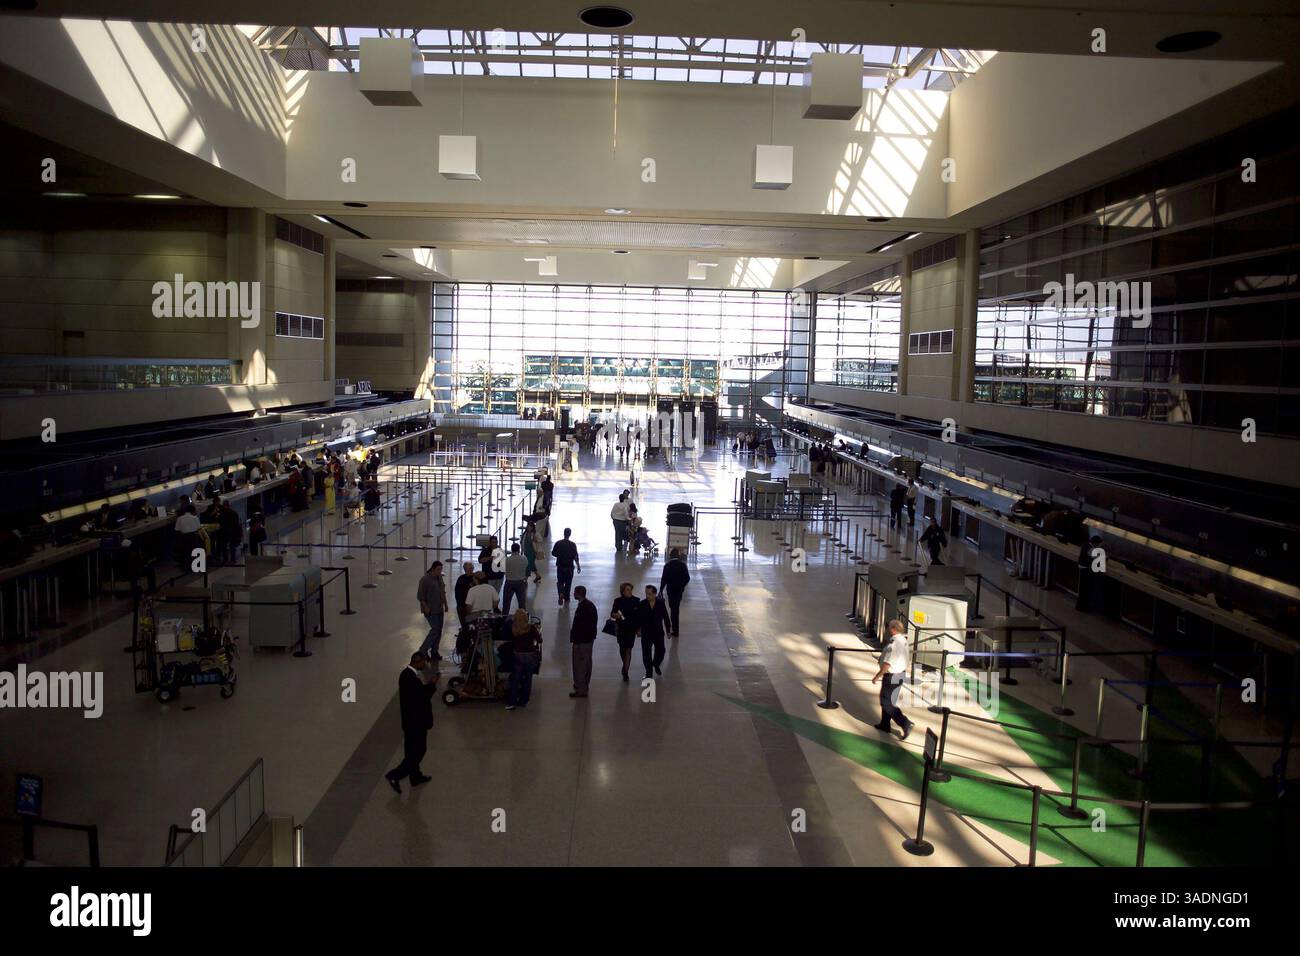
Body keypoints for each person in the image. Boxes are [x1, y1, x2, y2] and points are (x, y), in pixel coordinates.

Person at [385, 652, 435, 793]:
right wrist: (431, 686)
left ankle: (415, 776)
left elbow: (416, 694)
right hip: (415, 722)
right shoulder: (410, 679)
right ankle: (395, 775)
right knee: (419, 751)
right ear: (418, 661)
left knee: (411, 751)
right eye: (424, 662)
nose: (425, 664)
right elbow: (422, 697)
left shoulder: (407, 675)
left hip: (410, 720)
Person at [872, 619, 913, 740]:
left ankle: (905, 723)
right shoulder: (903, 641)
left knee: (885, 702)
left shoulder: (893, 645)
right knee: (889, 700)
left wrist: (877, 676)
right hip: (900, 675)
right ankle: (885, 724)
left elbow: (887, 664)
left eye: (888, 627)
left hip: (892, 676)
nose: (887, 629)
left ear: (893, 629)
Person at [505, 610, 541, 711]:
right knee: (528, 679)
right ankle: (524, 700)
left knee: (516, 679)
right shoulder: (531, 627)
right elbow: (539, 640)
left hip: (518, 655)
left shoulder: (514, 628)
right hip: (530, 655)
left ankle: (512, 702)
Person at [637, 584, 671, 680]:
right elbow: (639, 618)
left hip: (658, 632)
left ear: (655, 594)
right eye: (646, 594)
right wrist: (638, 630)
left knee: (661, 651)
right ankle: (649, 672)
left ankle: (655, 664)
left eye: (650, 594)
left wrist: (668, 630)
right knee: (646, 653)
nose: (647, 596)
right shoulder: (642, 604)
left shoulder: (660, 603)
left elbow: (666, 617)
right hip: (646, 632)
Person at [569, 585, 598, 698]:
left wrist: (575, 641)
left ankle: (581, 689)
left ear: (578, 594)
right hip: (588, 640)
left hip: (581, 641)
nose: (573, 594)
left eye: (575, 592)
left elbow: (579, 627)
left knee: (579, 665)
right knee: (586, 664)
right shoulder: (590, 605)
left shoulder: (582, 608)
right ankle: (584, 685)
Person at [417, 561, 448, 660]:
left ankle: (434, 651)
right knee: (435, 630)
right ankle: (422, 651)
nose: (440, 571)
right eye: (438, 569)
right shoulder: (425, 579)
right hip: (430, 610)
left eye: (441, 569)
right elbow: (420, 596)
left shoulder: (439, 578)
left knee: (438, 631)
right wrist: (425, 606)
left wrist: (445, 604)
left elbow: (443, 592)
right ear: (433, 569)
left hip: (439, 609)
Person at [611, 582, 640, 682]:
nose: (630, 591)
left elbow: (638, 617)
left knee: (628, 649)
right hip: (621, 629)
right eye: (627, 589)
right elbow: (612, 613)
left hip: (631, 629)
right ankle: (625, 665)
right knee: (622, 649)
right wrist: (616, 615)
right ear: (623, 591)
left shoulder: (636, 601)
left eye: (630, 589)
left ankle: (626, 671)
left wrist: (638, 629)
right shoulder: (618, 601)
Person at [658, 549, 691, 637]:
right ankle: (676, 630)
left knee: (673, 609)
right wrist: (682, 586)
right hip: (679, 591)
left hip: (670, 591)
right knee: (676, 609)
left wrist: (661, 590)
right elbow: (687, 578)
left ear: (670, 556)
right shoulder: (682, 565)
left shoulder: (667, 566)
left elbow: (663, 579)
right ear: (678, 555)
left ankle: (674, 629)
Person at [551, 527, 580, 606]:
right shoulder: (573, 545)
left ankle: (560, 593)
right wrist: (578, 565)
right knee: (568, 583)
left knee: (560, 582)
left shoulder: (558, 543)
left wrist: (560, 555)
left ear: (564, 533)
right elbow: (575, 556)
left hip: (560, 566)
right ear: (570, 534)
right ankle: (566, 598)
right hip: (569, 567)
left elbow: (553, 553)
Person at [1076, 533, 1104, 613]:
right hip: (1086, 570)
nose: (1098, 546)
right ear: (1095, 543)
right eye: (1098, 544)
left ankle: (1079, 606)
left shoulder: (1085, 545)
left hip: (1082, 567)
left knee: (1082, 589)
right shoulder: (1091, 549)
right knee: (1086, 590)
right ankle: (1084, 608)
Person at [502, 543, 529, 614]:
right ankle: (523, 619)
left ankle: (504, 618)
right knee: (522, 603)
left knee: (506, 603)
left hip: (509, 582)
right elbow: (526, 567)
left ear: (511, 550)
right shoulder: (524, 558)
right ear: (519, 549)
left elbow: (503, 570)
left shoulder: (507, 560)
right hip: (520, 582)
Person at [217, 500, 243, 565]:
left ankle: (225, 560)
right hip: (232, 532)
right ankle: (232, 559)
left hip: (224, 532)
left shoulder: (221, 514)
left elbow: (220, 523)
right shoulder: (234, 513)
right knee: (232, 547)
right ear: (229, 505)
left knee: (224, 547)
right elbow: (236, 524)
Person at [453, 561, 476, 626]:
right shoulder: (461, 579)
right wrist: (461, 606)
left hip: (473, 607)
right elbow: (457, 593)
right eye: (468, 569)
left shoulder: (476, 578)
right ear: (465, 569)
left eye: (471, 568)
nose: (470, 570)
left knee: (472, 625)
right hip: (462, 607)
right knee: (465, 625)